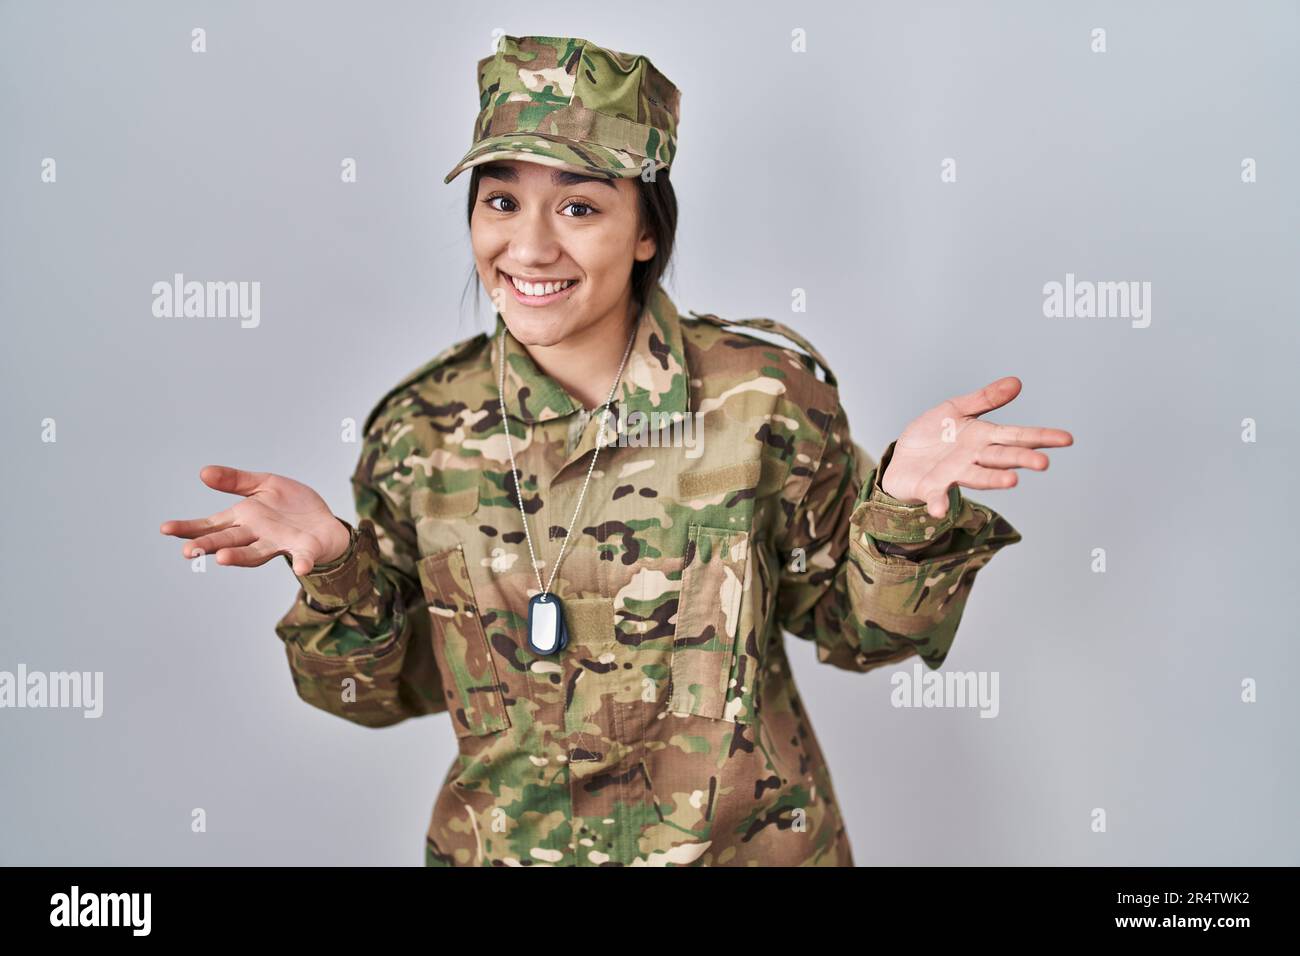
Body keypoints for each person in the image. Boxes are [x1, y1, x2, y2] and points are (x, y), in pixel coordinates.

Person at [160, 35, 1072, 866]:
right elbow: (381, 693)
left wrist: (903, 514)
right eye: (502, 200)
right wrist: (336, 567)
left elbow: (859, 632)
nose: (528, 244)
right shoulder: (422, 431)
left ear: (645, 233)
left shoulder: (759, 398)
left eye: (581, 207)